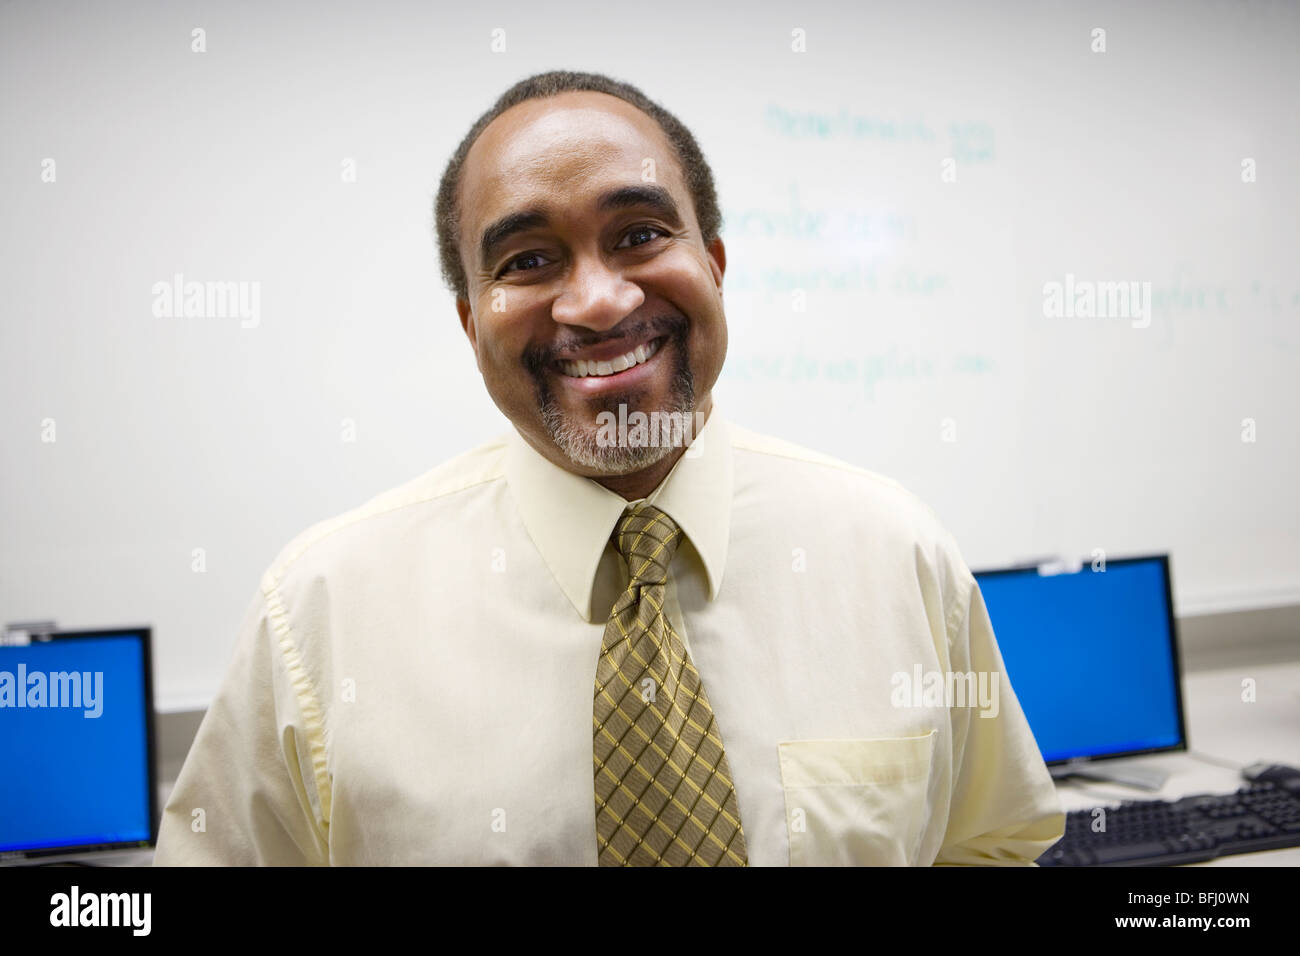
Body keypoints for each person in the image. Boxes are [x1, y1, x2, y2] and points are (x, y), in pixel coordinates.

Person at [154, 69, 1064, 866]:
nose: (597, 300)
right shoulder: (318, 616)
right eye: (529, 259)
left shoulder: (893, 552)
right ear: (473, 324)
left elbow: (986, 844)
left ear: (711, 262)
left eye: (638, 235)